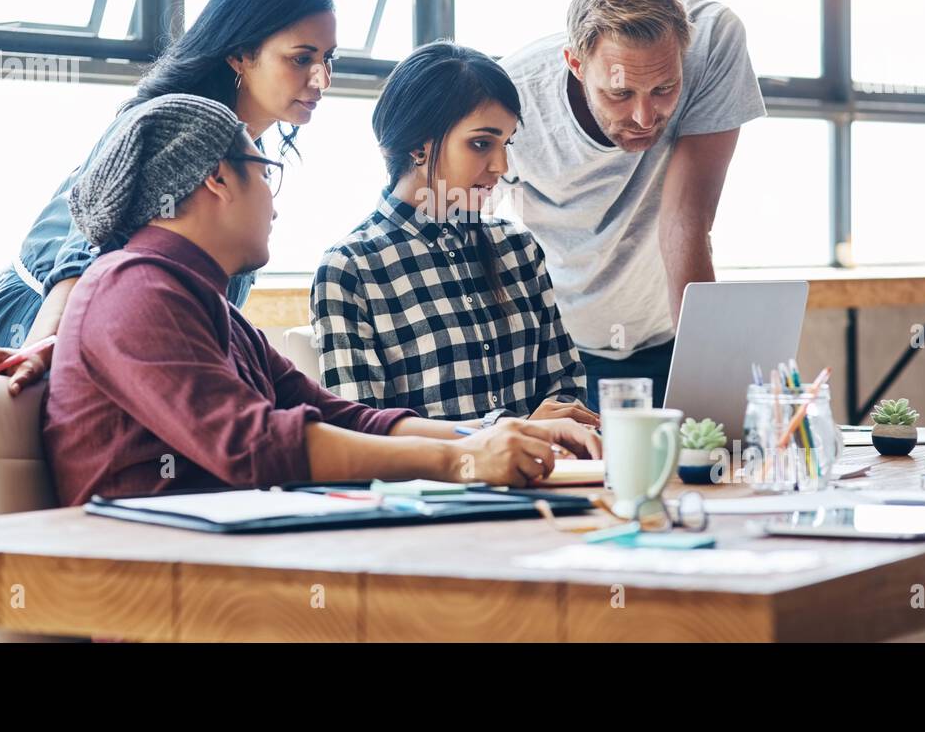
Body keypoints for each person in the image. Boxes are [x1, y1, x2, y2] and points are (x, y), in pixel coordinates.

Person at [0, 0, 338, 520]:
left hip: (105, 333)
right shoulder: (162, 124)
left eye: (327, 60)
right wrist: (46, 348)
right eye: (301, 59)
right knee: (10, 555)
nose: (320, 80)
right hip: (38, 318)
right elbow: (82, 260)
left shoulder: (244, 156)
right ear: (241, 54)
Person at [44, 94, 600, 502]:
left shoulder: (196, 300)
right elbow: (255, 448)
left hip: (230, 574)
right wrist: (461, 460)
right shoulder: (137, 290)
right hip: (173, 601)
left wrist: (495, 434)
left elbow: (344, 417)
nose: (274, 203)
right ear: (217, 179)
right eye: (266, 174)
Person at [499, 0, 765, 408]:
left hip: (671, 333)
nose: (645, 118)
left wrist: (711, 384)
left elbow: (684, 220)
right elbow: (466, 230)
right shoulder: (512, 98)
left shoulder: (714, 40)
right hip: (563, 352)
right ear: (576, 64)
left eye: (665, 88)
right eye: (620, 94)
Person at [311, 42, 594, 428]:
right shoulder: (351, 268)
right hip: (429, 488)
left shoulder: (519, 248)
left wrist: (540, 432)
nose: (502, 166)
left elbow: (566, 389)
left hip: (547, 480)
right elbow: (363, 432)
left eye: (506, 143)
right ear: (417, 146)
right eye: (481, 143)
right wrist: (512, 431)